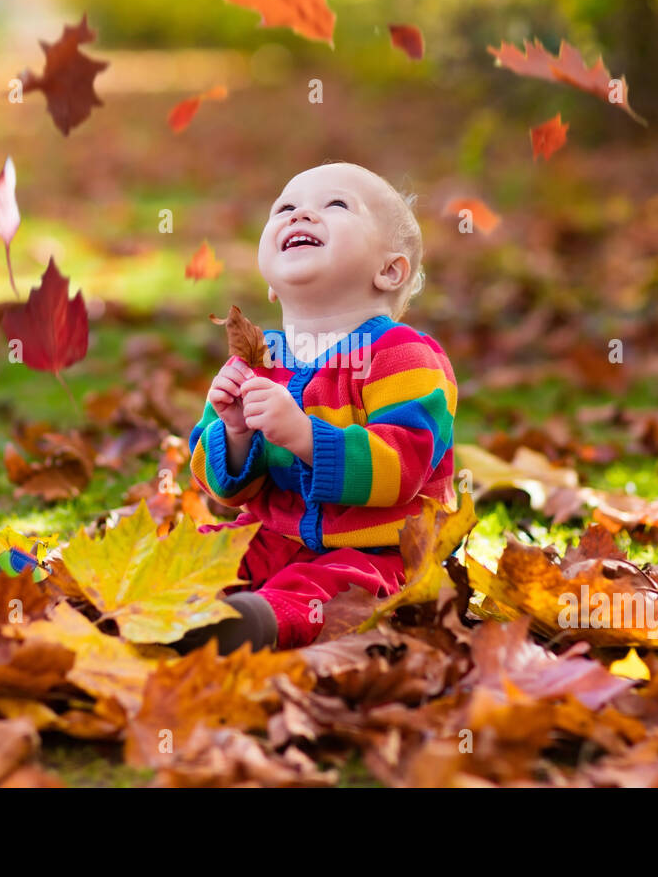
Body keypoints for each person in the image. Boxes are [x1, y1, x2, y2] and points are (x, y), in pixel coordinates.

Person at [177, 161, 458, 653]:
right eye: (285, 207)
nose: (300, 214)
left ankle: (251, 625)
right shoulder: (260, 359)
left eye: (335, 205)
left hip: (379, 548)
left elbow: (405, 466)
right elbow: (221, 487)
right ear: (270, 280)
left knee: (336, 591)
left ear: (389, 270)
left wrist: (306, 438)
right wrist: (237, 436)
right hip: (270, 536)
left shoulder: (404, 356)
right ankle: (76, 591)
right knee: (197, 553)